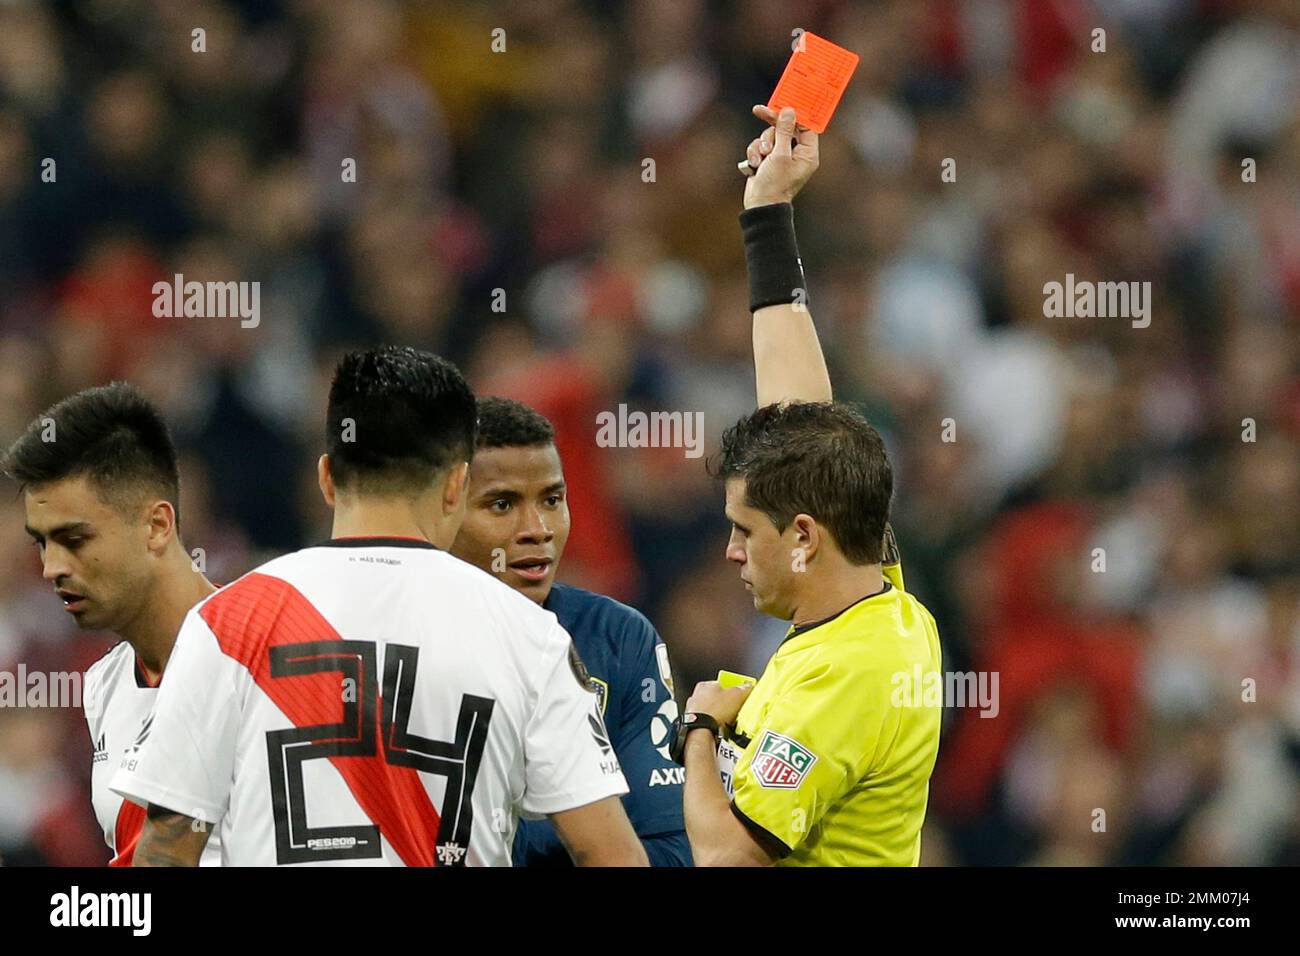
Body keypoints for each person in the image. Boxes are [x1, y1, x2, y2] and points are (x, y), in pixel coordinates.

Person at [111, 345, 648, 866]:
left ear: (326, 478)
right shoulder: (531, 635)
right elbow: (609, 853)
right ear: (457, 485)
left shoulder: (226, 622)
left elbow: (167, 849)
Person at [674, 106, 943, 866]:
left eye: (741, 529)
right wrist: (768, 211)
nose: (730, 552)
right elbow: (802, 413)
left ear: (801, 536)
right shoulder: (880, 598)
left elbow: (727, 860)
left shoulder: (847, 675)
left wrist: (699, 730)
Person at [450, 396, 690, 866]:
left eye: (552, 500)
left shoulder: (617, 637)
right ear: (443, 508)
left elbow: (671, 850)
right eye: (502, 504)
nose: (537, 530)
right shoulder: (398, 634)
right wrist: (585, 831)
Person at [1, 383, 221, 866]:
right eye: (42, 543)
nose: (50, 568)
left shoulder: (254, 657)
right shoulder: (103, 685)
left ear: (157, 527)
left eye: (74, 539)